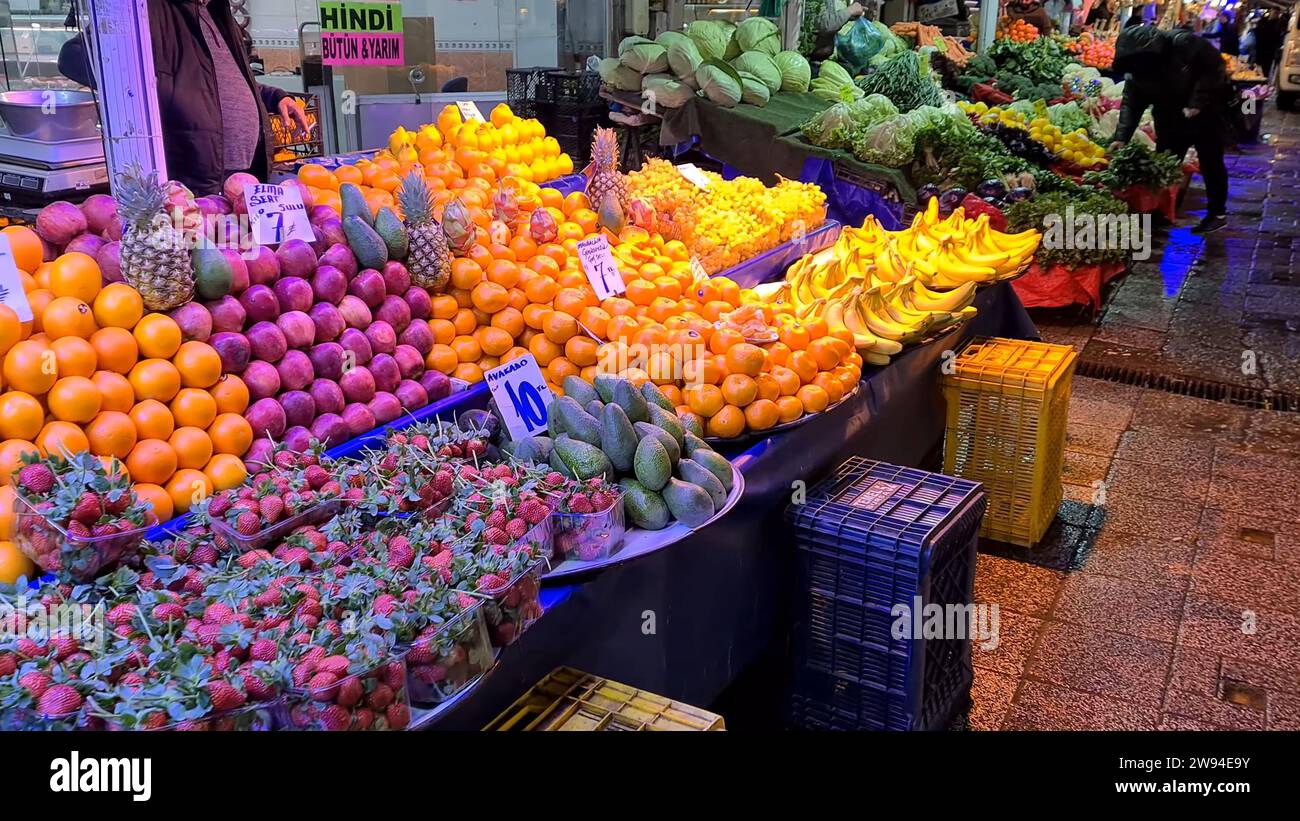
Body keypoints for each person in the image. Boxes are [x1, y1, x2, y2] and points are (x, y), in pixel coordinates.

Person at [58, 0, 311, 196]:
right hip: (196, 181)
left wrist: (275, 97)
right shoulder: (147, 10)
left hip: (243, 176)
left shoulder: (216, 12)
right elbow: (73, 56)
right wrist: (147, 85)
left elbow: (222, 83)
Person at [1110, 24, 1233, 233]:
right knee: (1165, 164)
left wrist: (1196, 102)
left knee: (1211, 163)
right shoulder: (1135, 72)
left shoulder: (1183, 44)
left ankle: (1217, 214)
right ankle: (1161, 210)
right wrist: (1121, 137)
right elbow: (1132, 104)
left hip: (1207, 114)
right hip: (1169, 118)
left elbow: (1214, 68)